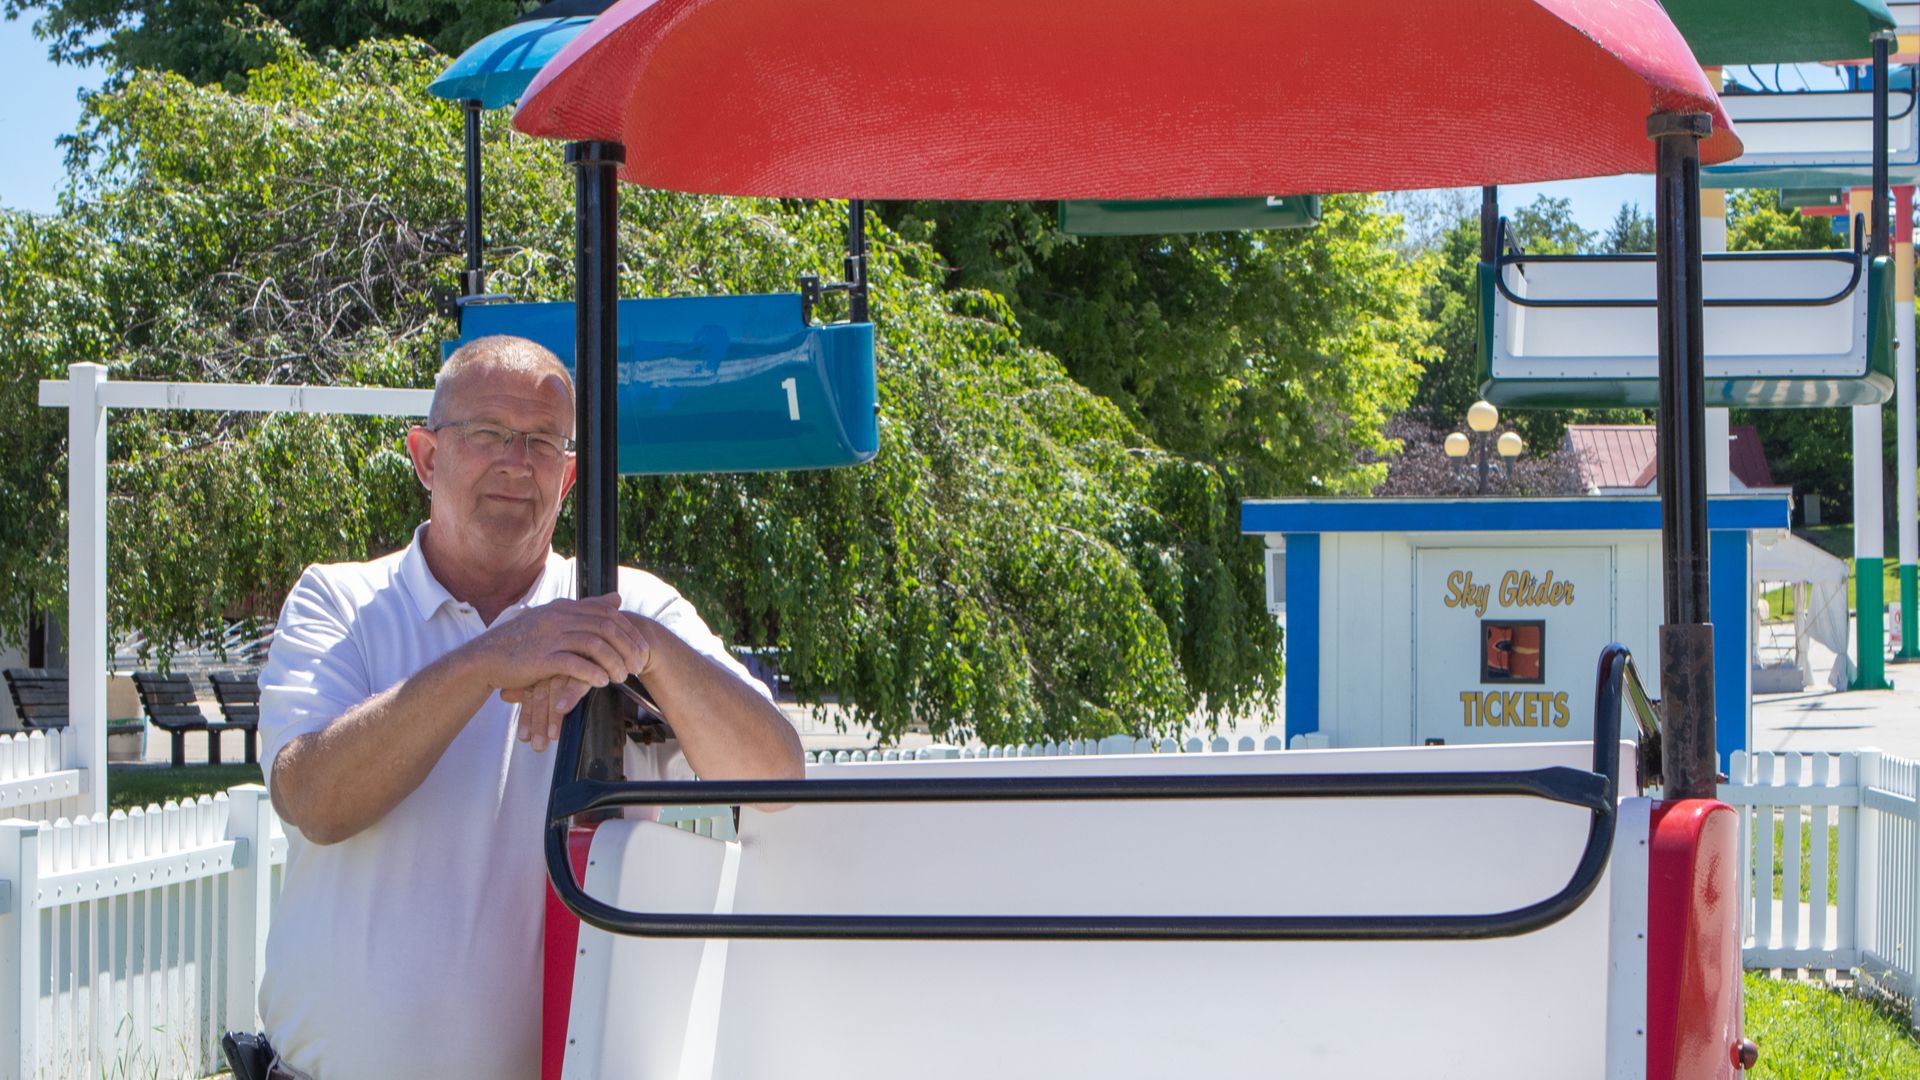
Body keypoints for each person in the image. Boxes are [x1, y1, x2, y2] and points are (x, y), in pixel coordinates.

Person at [252, 335, 803, 1080]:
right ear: (426, 457)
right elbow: (314, 800)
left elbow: (776, 781)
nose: (516, 462)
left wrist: (634, 646)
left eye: (542, 441)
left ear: (569, 476)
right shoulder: (339, 601)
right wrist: (489, 660)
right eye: (487, 433)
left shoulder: (628, 607)